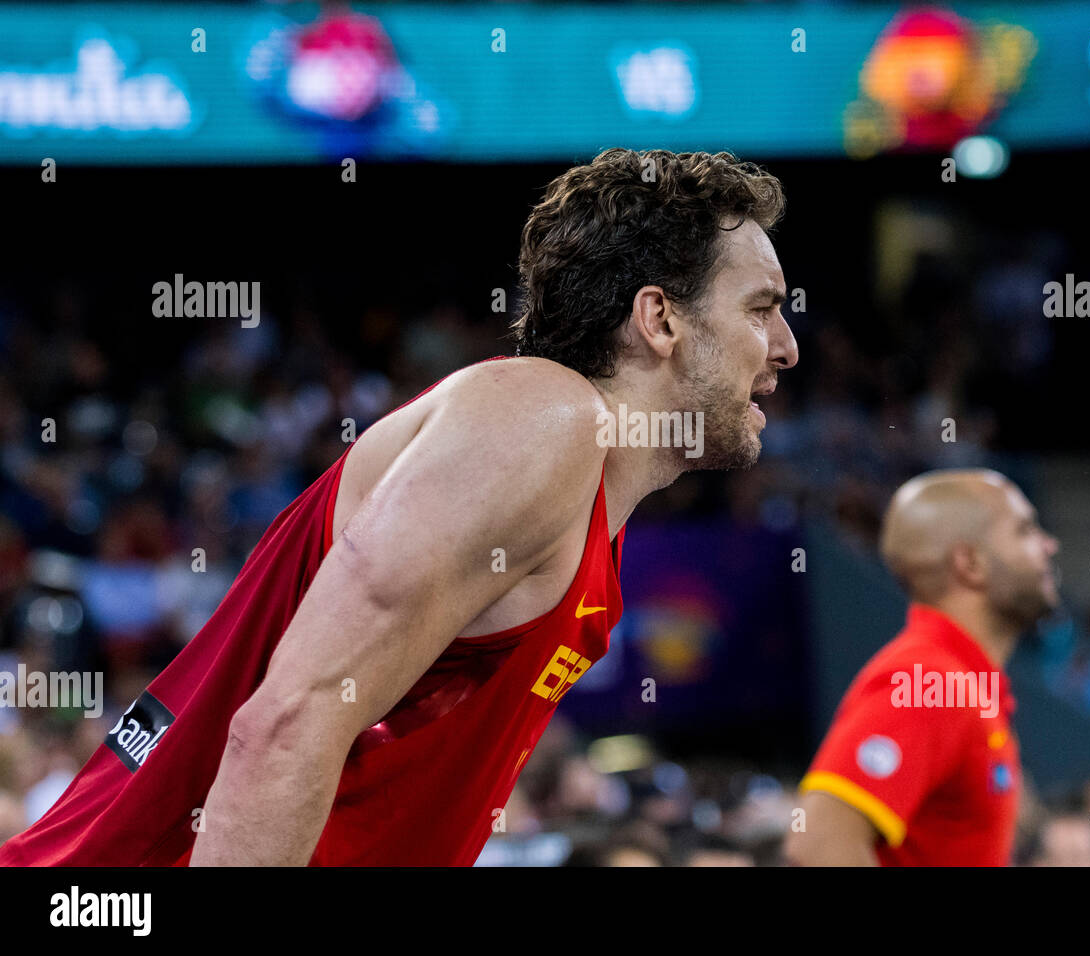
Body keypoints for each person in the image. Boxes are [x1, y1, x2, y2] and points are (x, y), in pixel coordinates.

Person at [0, 147, 797, 866]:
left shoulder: (585, 499)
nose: (787, 345)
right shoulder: (543, 417)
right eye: (761, 309)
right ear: (659, 319)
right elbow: (284, 725)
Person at [786, 469, 1058, 865]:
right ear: (970, 563)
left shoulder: (961, 682)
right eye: (1025, 531)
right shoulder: (928, 680)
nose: (1049, 545)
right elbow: (816, 843)